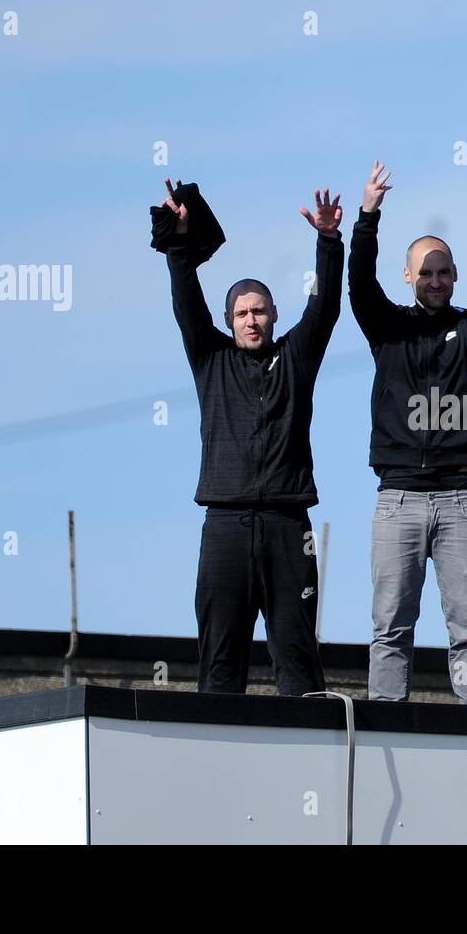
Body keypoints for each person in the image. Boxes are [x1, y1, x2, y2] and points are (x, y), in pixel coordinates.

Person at [153, 177, 344, 696]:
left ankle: (308, 764)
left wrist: (328, 242)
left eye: (259, 310)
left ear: (275, 315)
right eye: (241, 312)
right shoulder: (210, 358)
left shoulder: (296, 358)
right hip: (225, 525)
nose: (251, 319)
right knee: (219, 660)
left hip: (289, 524)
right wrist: (177, 241)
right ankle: (216, 765)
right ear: (228, 320)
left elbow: (324, 309)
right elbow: (184, 299)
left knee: (298, 660)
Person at [347, 161, 467, 703]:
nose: (436, 280)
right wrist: (368, 216)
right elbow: (357, 282)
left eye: (444, 272)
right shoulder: (387, 327)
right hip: (396, 499)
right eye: (425, 272)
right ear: (408, 278)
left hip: (462, 497)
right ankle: (385, 727)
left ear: (455, 276)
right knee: (390, 627)